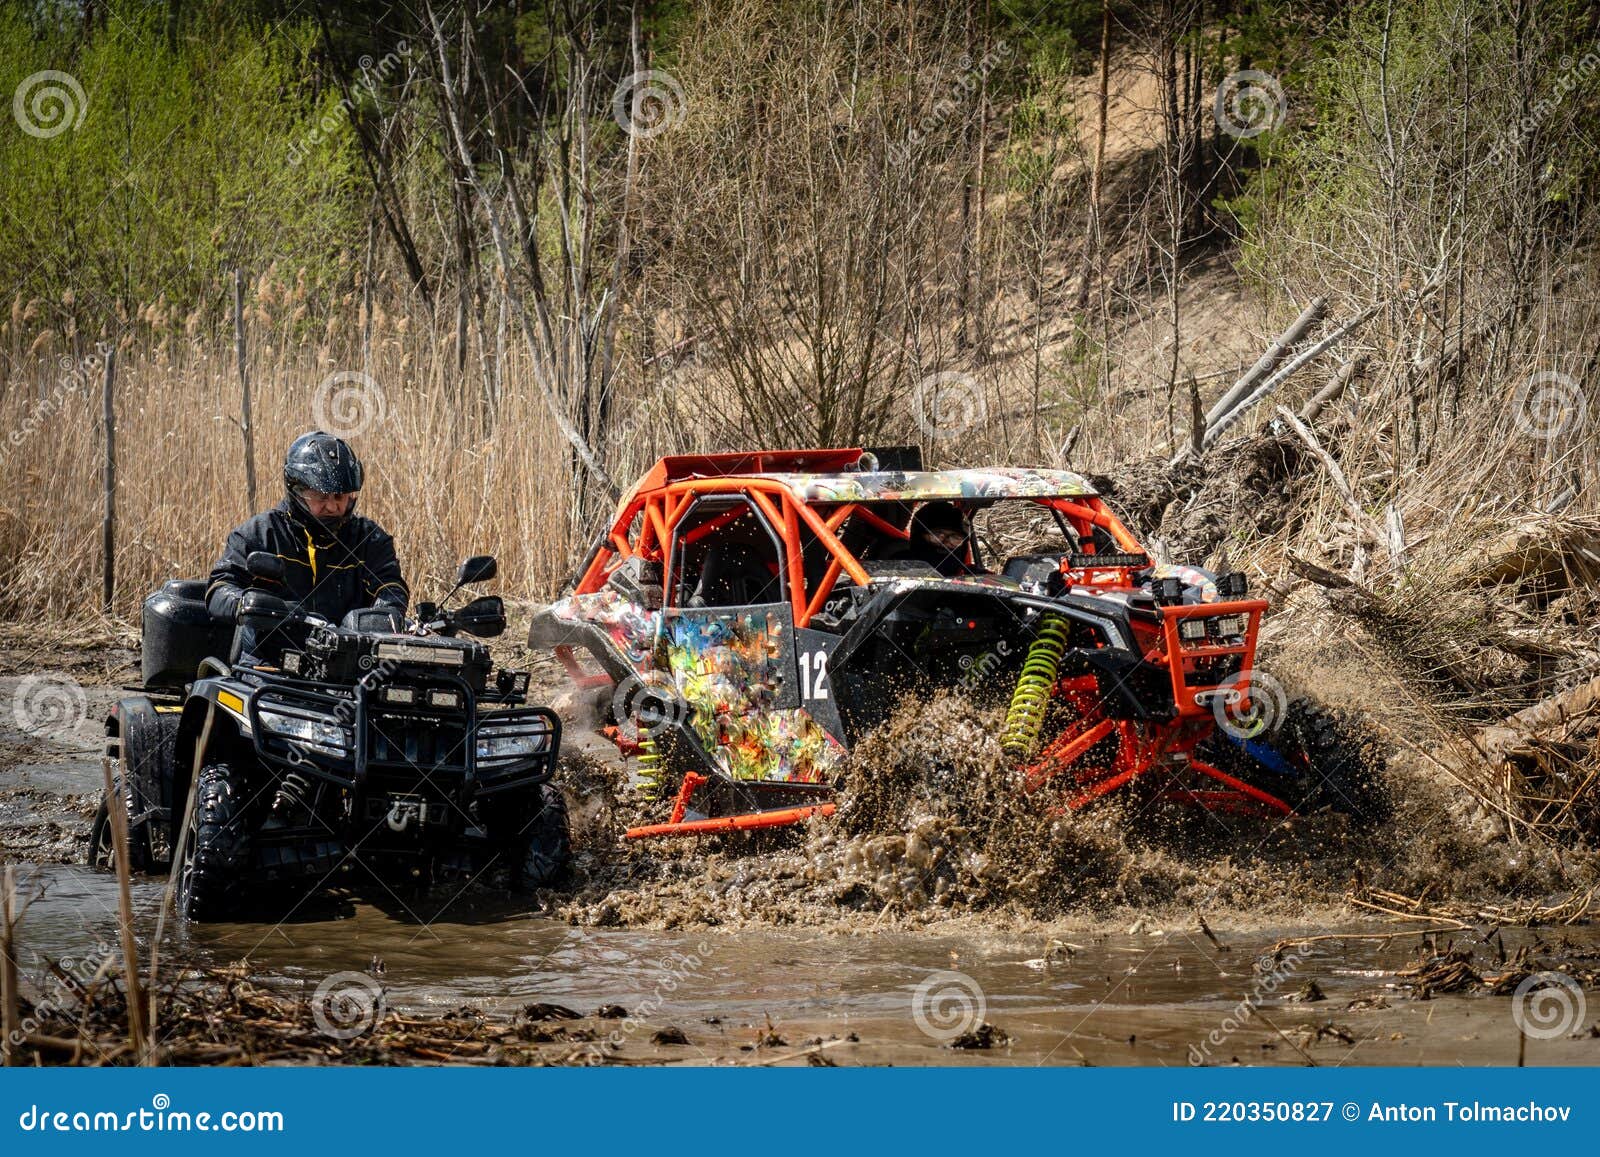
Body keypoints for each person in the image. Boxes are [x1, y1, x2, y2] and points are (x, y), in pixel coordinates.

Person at [207, 431, 408, 659]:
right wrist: (248, 604)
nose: (332, 507)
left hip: (346, 664)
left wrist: (386, 613)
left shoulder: (370, 539)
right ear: (297, 491)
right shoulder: (258, 534)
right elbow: (219, 589)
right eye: (321, 497)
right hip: (267, 665)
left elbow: (391, 587)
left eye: (339, 497)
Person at [905, 501, 982, 577]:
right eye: (938, 534)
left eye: (956, 537)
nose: (946, 542)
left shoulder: (976, 577)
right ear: (918, 537)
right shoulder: (899, 568)